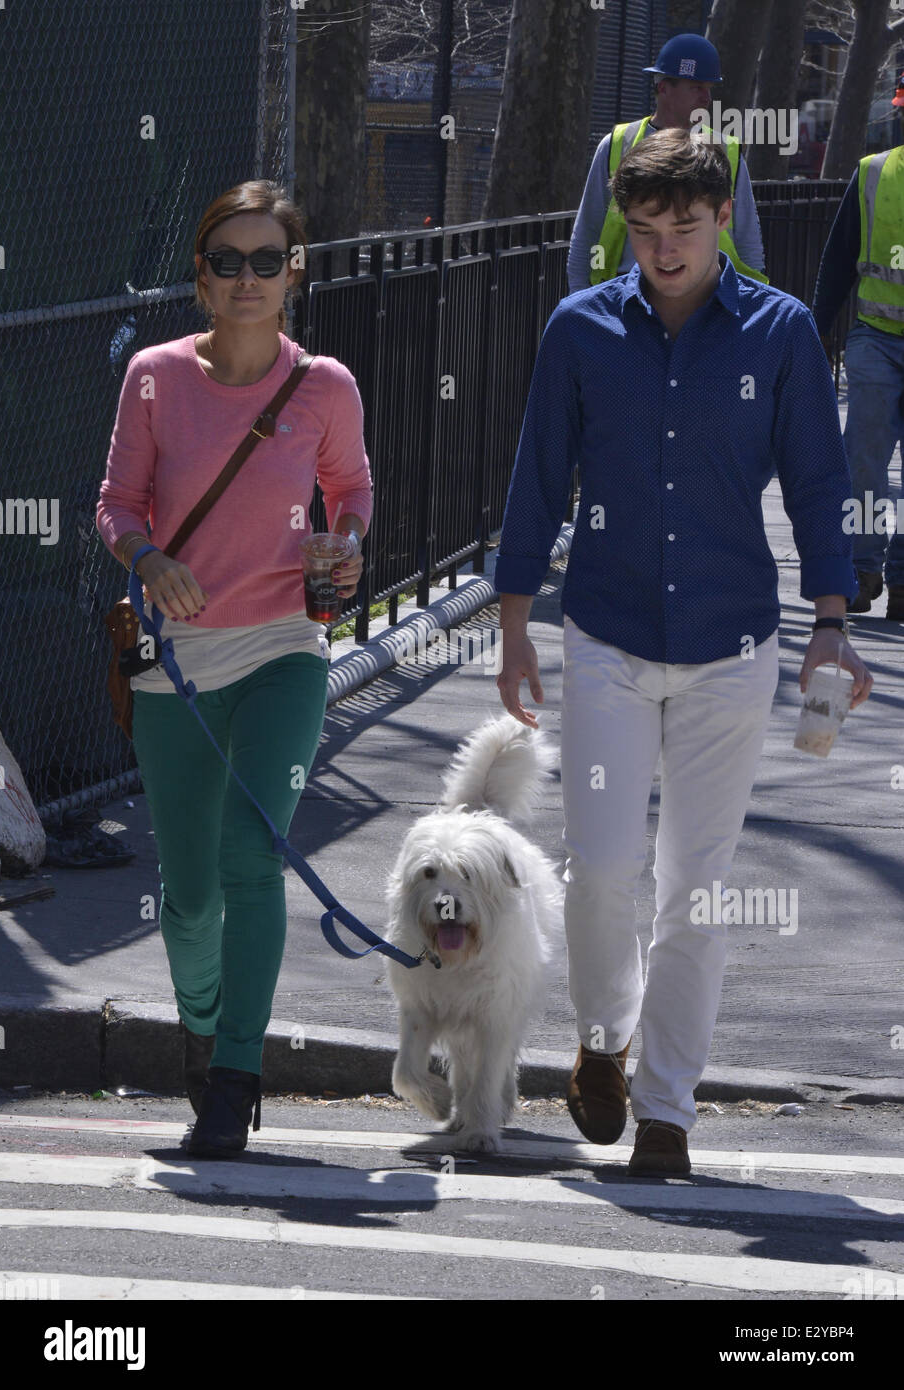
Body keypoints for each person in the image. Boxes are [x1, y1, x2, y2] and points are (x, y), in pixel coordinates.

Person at [495, 129, 872, 1177]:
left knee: (696, 890)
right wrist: (514, 622)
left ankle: (666, 1109)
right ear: (628, 225)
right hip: (606, 630)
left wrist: (830, 624)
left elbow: (815, 480)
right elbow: (537, 475)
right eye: (647, 231)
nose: (665, 251)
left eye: (686, 229)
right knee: (604, 870)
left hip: (731, 640)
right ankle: (601, 1040)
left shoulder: (779, 333)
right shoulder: (581, 329)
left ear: (721, 222)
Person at [96, 181, 372, 1157]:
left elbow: (351, 490)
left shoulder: (326, 387)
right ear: (200, 278)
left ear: (294, 272)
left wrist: (343, 545)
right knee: (188, 894)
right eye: (227, 261)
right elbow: (116, 506)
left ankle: (235, 1077)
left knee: (253, 856)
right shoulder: (155, 378)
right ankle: (200, 1030)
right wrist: (148, 558)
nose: (247, 279)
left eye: (267, 260)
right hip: (176, 660)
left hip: (284, 648)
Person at [567, 33, 767, 294]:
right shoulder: (617, 145)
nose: (706, 98)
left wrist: (752, 307)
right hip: (625, 300)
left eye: (709, 88)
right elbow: (587, 232)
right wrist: (580, 303)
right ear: (663, 88)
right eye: (696, 87)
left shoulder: (726, 150)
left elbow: (747, 239)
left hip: (709, 300)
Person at [812, 73, 904, 620]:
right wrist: (814, 329)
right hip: (876, 336)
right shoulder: (873, 174)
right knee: (864, 458)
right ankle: (863, 569)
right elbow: (839, 258)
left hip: (876, 338)